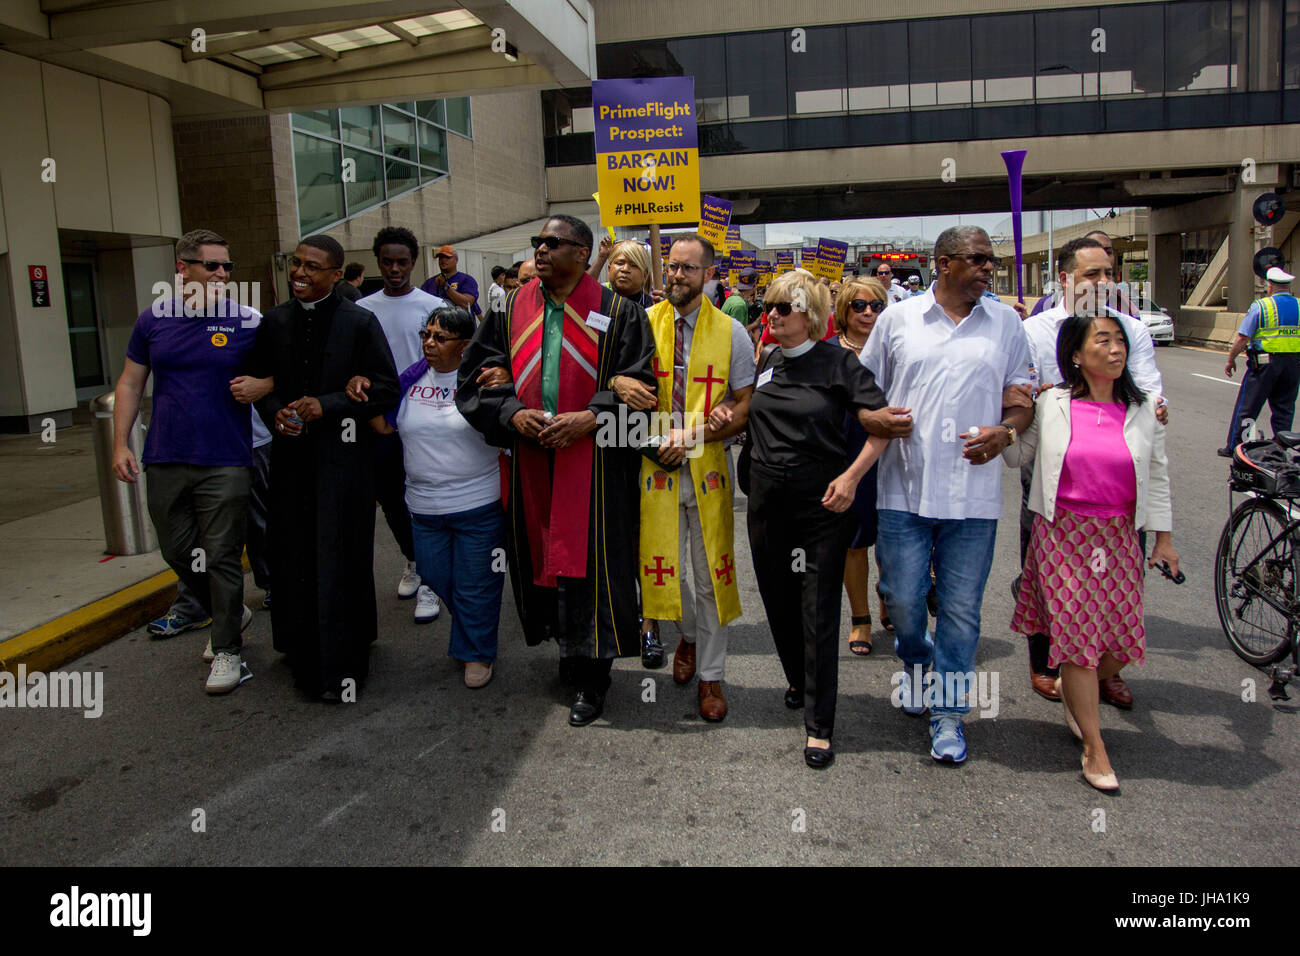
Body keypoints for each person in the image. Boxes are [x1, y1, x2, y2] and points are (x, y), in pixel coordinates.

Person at [456, 214, 656, 727]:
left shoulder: (620, 312)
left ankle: (596, 676)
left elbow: (642, 387)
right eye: (537, 243)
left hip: (595, 465)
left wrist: (591, 418)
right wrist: (511, 414)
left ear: (583, 254)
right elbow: (474, 381)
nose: (540, 251)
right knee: (545, 559)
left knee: (594, 568)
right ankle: (569, 654)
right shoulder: (509, 309)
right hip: (531, 459)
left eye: (553, 243)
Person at [860, 225, 1036, 764]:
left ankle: (948, 714)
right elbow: (862, 394)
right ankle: (915, 660)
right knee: (904, 600)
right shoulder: (897, 319)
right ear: (943, 264)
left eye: (991, 260)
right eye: (977, 259)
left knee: (961, 611)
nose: (988, 268)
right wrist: (873, 416)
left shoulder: (1007, 324)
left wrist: (1005, 431)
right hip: (903, 489)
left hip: (973, 498)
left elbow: (1021, 400)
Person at [743, 269, 910, 769]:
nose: (771, 315)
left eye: (782, 308)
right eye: (769, 307)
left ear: (811, 316)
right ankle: (799, 677)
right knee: (776, 598)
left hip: (822, 507)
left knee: (817, 609)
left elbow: (884, 426)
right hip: (767, 504)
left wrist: (853, 477)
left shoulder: (840, 363)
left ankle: (819, 724)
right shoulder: (769, 361)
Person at [1007, 312, 1178, 793]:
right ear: (1077, 356)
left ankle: (1070, 686)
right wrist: (1006, 419)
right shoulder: (1053, 403)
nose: (1116, 348)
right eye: (1103, 340)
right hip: (1062, 533)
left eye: (1121, 341)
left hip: (1120, 535)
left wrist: (1163, 540)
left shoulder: (1145, 408)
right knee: (1079, 637)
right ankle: (1094, 746)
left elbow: (1159, 475)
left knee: (1123, 641)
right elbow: (1018, 456)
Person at [250, 235, 400, 701]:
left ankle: (343, 658)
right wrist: (275, 411)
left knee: (338, 555)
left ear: (336, 275)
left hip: (343, 462)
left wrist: (329, 404)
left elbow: (385, 388)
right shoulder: (274, 322)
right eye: (296, 264)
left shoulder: (359, 322)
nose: (300, 273)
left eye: (313, 267)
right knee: (293, 551)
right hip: (292, 461)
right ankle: (299, 646)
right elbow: (263, 384)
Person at [112, 229, 262, 695]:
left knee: (220, 554)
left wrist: (263, 384)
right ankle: (227, 609)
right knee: (176, 549)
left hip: (227, 458)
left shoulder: (247, 321)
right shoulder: (153, 321)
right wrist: (120, 445)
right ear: (183, 269)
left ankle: (228, 651)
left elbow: (282, 370)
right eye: (212, 265)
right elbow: (130, 384)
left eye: (227, 267)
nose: (222, 274)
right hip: (166, 455)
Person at [1018, 235, 1165, 707]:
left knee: (1113, 583)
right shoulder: (1036, 330)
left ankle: (1102, 669)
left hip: (1116, 472)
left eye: (1108, 273)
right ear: (1065, 279)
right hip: (1054, 465)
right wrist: (1030, 401)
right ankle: (1046, 662)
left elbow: (1147, 389)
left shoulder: (1131, 329)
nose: (1104, 282)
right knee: (1045, 577)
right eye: (1091, 274)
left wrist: (1155, 408)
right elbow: (1021, 387)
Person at [615, 234, 755, 717]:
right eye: (671, 267)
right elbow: (615, 385)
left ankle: (712, 677)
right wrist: (618, 381)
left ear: (708, 275)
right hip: (654, 471)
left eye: (688, 269)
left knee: (709, 577)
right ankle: (688, 639)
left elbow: (744, 405)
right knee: (664, 574)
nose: (677, 275)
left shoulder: (732, 332)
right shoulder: (641, 324)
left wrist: (702, 432)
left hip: (709, 472)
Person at [370, 306, 505, 688]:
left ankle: (477, 652)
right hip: (424, 509)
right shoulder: (410, 380)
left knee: (476, 583)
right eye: (426, 335)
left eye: (440, 337)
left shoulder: (483, 384)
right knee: (434, 574)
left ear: (465, 346)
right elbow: (383, 424)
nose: (429, 343)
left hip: (479, 504)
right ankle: (472, 635)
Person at [353, 227, 446, 605]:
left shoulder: (430, 306)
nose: (394, 268)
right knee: (391, 497)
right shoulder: (361, 309)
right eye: (387, 261)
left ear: (412, 262)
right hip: (381, 418)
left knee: (424, 495)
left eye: (402, 262)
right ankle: (416, 561)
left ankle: (431, 578)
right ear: (378, 261)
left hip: (424, 413)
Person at [832, 278, 889, 655]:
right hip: (848, 451)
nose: (868, 312)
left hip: (896, 453)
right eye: (859, 305)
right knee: (856, 541)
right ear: (844, 310)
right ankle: (860, 618)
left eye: (877, 306)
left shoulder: (897, 346)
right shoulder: (829, 353)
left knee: (894, 538)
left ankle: (892, 600)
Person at [1221, 267, 1300, 456]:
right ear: (1289, 286)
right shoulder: (1298, 305)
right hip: (1293, 365)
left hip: (1264, 364)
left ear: (1270, 286)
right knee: (1285, 408)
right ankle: (1282, 450)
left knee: (1248, 407)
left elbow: (1242, 337)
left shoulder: (1262, 306)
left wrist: (1230, 360)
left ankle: (1236, 447)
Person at [591, 238, 660, 309]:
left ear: (645, 274)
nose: (625, 269)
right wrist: (601, 257)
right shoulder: (597, 301)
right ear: (609, 269)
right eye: (620, 263)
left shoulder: (653, 307)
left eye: (633, 265)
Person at [420, 244, 481, 317]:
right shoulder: (429, 283)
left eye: (447, 257)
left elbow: (466, 303)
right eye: (440, 258)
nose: (443, 260)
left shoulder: (467, 280)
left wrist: (446, 287)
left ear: (456, 260)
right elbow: (421, 306)